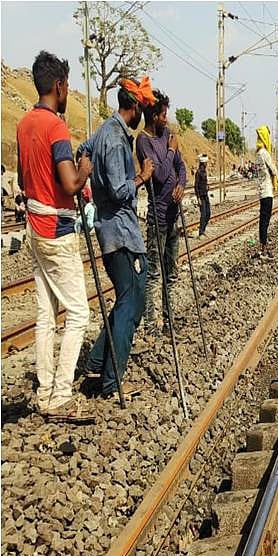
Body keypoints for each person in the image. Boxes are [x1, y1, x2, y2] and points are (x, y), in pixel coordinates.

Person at [17, 51, 94, 421]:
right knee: (79, 313)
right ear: (60, 86)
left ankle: (45, 392)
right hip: (57, 229)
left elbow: (22, 178)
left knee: (46, 313)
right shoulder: (55, 127)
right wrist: (84, 169)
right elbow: (69, 184)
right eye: (68, 85)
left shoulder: (24, 124)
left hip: (34, 225)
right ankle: (61, 394)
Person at [76, 76, 155, 400]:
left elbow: (83, 149)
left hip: (116, 231)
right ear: (133, 107)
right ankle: (113, 381)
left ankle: (97, 362)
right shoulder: (115, 139)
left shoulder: (105, 132)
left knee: (128, 299)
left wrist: (86, 167)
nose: (142, 117)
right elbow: (119, 190)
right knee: (131, 302)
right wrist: (142, 177)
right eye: (142, 110)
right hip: (120, 233)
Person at [135, 89, 187, 336]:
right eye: (164, 114)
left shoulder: (167, 135)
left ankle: (169, 322)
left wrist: (182, 185)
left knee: (172, 273)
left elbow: (181, 168)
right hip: (158, 217)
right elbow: (160, 175)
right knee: (154, 273)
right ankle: (150, 326)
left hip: (173, 215)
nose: (167, 119)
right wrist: (171, 151)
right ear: (154, 115)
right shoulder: (144, 141)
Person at [254, 126, 278, 259]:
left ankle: (262, 247)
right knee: (265, 221)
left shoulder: (257, 153)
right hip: (267, 191)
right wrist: (276, 177)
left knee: (262, 220)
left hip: (261, 191)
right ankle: (263, 249)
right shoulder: (264, 153)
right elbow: (273, 170)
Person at [195, 155, 210, 237]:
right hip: (201, 196)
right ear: (203, 163)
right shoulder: (198, 172)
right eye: (206, 162)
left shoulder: (204, 171)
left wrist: (207, 186)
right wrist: (198, 198)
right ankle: (201, 232)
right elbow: (196, 186)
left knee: (208, 213)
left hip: (206, 195)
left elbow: (204, 182)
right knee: (203, 215)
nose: (207, 164)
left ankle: (203, 230)